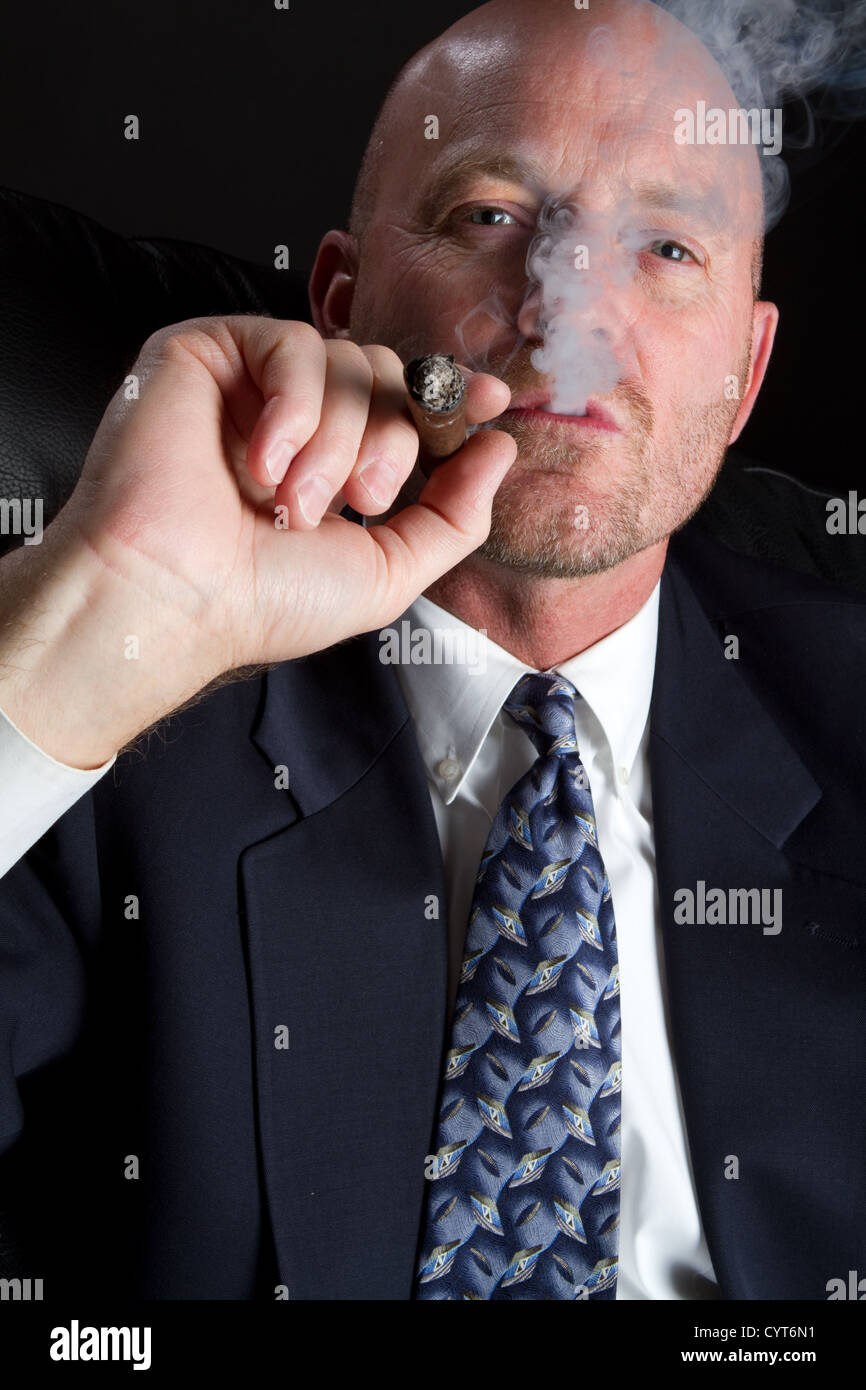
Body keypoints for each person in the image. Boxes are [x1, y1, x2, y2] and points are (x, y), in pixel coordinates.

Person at [0, 0, 863, 1301]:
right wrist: (85, 627)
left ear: (742, 378)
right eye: (492, 216)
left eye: (665, 244)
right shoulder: (112, 718)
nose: (562, 303)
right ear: (341, 297)